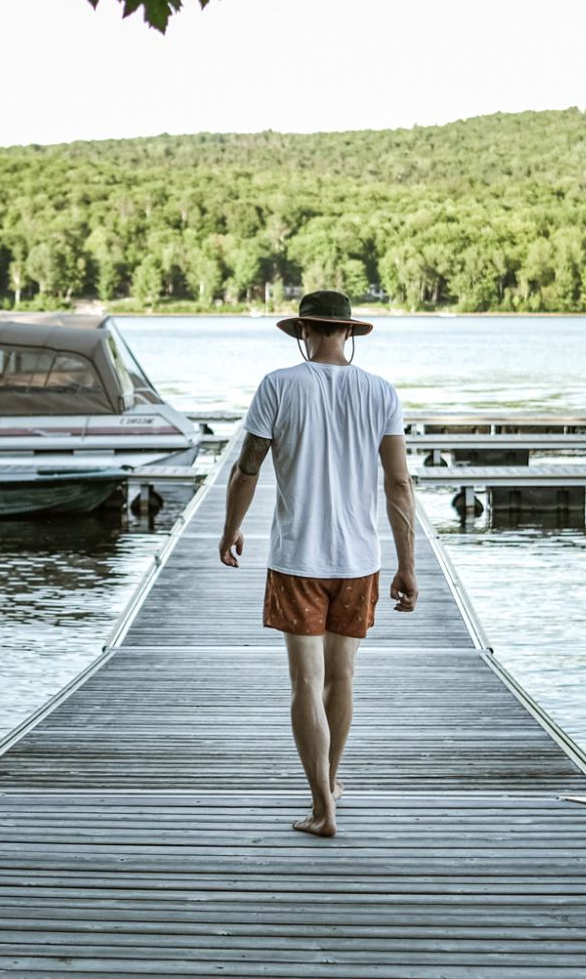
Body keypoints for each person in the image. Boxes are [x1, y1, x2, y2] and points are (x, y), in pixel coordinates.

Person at [218, 290, 417, 838]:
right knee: (342, 677)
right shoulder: (380, 391)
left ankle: (322, 806)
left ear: (303, 331)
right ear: (348, 332)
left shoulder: (278, 385)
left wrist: (231, 527)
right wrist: (407, 565)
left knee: (306, 682)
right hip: (359, 559)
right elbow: (399, 484)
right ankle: (330, 782)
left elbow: (247, 468)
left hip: (297, 559)